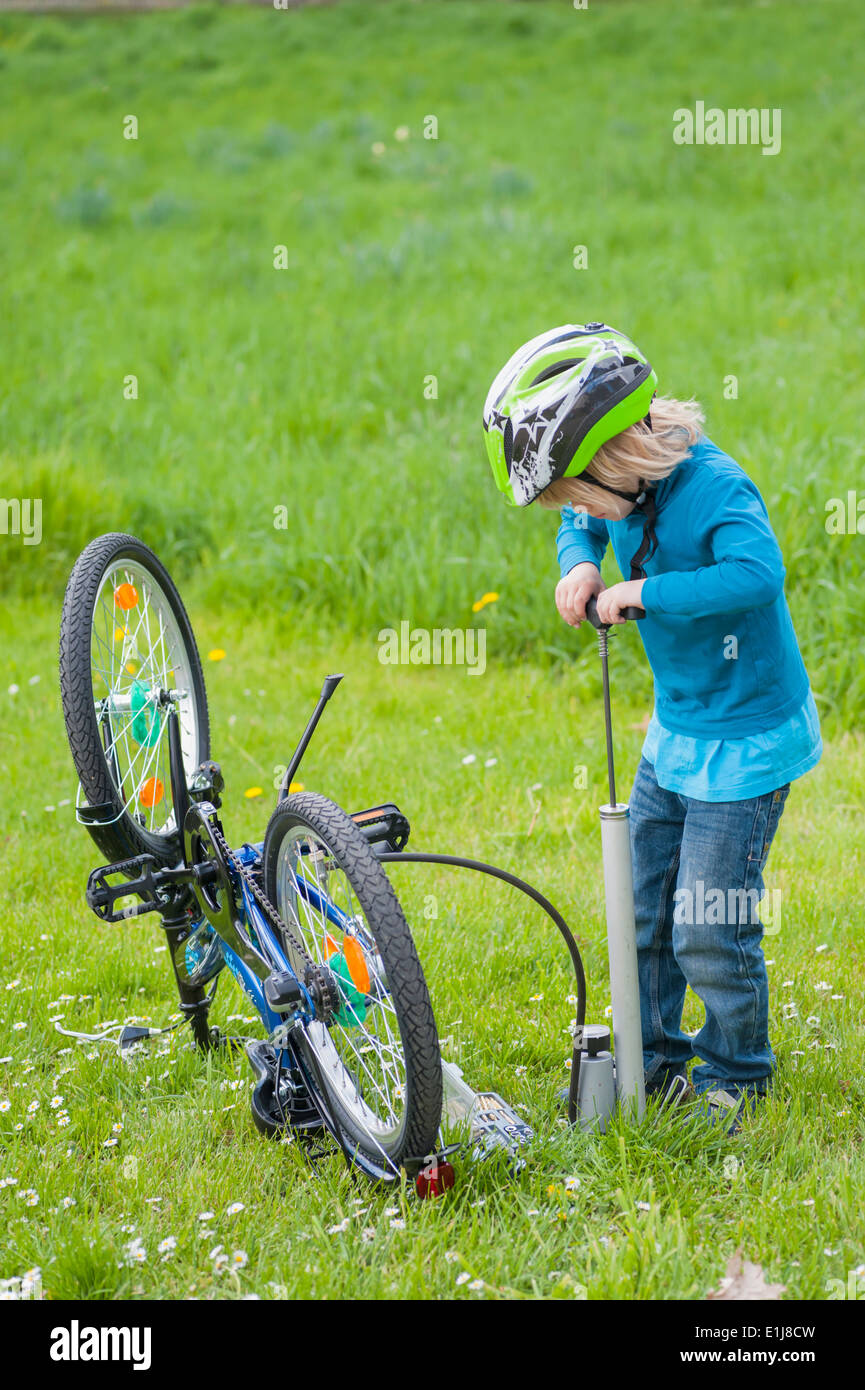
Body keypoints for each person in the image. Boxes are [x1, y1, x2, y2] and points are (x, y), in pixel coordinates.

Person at [482, 322, 822, 1134]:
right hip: (675, 731)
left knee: (707, 919)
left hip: (743, 737)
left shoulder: (714, 485)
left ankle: (737, 1074)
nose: (575, 511)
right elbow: (588, 525)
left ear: (615, 459)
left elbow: (756, 573)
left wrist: (643, 596)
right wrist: (579, 561)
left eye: (576, 494)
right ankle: (655, 1061)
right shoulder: (618, 491)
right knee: (640, 908)